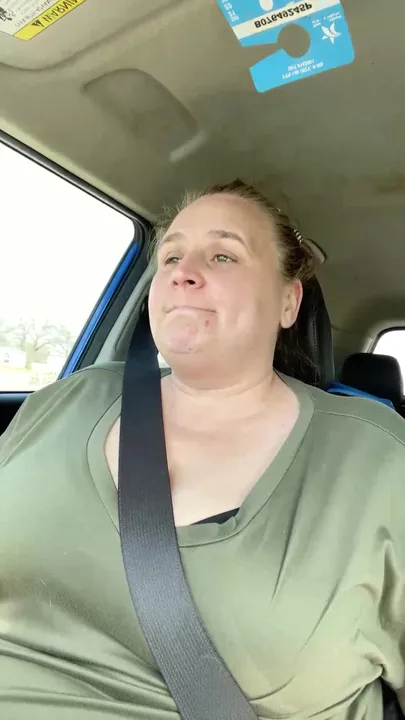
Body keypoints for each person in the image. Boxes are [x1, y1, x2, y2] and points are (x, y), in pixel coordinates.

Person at [0, 179, 404, 720]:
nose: (182, 272)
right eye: (171, 256)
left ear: (288, 301)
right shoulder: (70, 399)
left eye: (223, 255)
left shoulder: (378, 455)